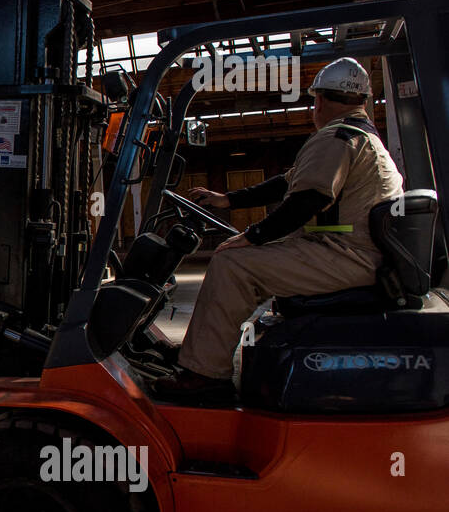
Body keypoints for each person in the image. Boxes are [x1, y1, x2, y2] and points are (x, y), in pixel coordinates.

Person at [154, 57, 403, 403]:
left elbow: (307, 199)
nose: (313, 108)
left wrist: (251, 236)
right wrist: (227, 200)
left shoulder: (336, 137)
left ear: (320, 101)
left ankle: (204, 375)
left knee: (231, 264)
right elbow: (286, 184)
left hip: (347, 256)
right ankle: (204, 349)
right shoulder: (361, 138)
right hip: (355, 252)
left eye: (314, 101)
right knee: (250, 258)